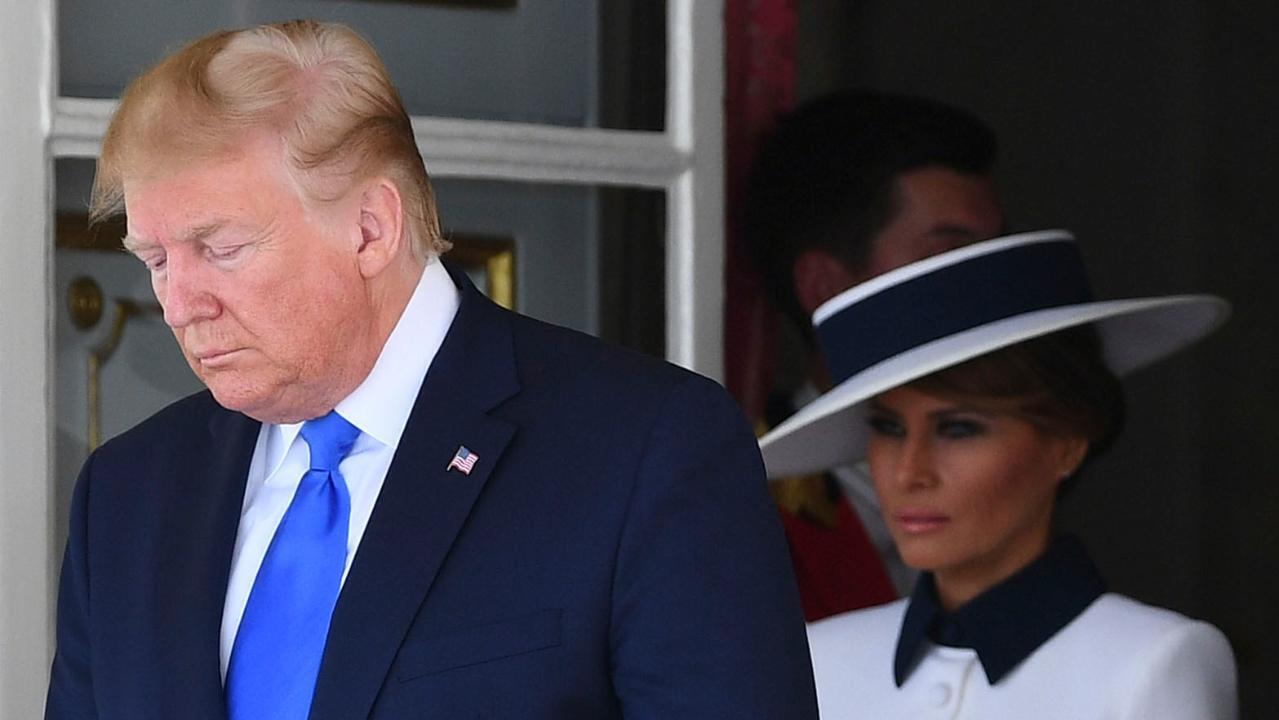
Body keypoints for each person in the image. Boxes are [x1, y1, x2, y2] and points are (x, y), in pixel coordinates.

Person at [44, 20, 818, 719]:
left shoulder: (647, 450)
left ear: (371, 228)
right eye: (154, 260)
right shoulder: (126, 494)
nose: (178, 304)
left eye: (219, 249)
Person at [760, 230, 1237, 718]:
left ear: (1067, 442)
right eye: (889, 427)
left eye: (959, 429)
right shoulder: (818, 660)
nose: (910, 472)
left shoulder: (1155, 663)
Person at [746, 90, 1004, 619]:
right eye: (948, 258)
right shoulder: (737, 509)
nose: (992, 292)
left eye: (995, 258)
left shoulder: (1018, 467)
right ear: (825, 288)